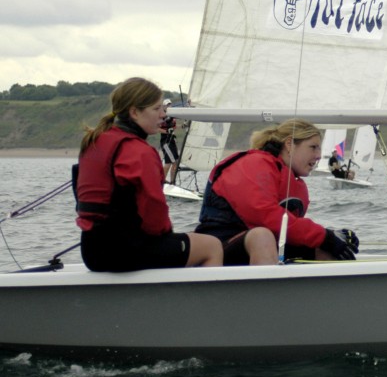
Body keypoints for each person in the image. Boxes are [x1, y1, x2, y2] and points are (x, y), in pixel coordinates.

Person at [75, 77, 223, 272]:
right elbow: (153, 208)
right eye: (156, 109)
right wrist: (168, 237)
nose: (163, 114)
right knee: (211, 246)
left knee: (184, 241)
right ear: (135, 112)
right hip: (127, 251)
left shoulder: (94, 142)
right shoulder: (139, 151)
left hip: (92, 250)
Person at [195, 118, 360, 266]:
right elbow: (265, 217)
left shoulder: (289, 178)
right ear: (290, 144)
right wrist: (324, 236)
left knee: (327, 250)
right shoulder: (254, 164)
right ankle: (267, 298)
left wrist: (333, 236)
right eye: (313, 147)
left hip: (264, 246)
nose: (318, 156)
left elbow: (291, 229)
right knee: (262, 236)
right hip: (219, 247)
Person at [159, 99, 179, 183]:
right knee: (169, 162)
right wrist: (167, 131)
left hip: (172, 141)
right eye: (167, 105)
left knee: (176, 162)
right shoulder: (161, 116)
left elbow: (174, 126)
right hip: (165, 141)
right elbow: (157, 128)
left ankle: (172, 182)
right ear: (164, 106)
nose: (169, 106)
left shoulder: (173, 115)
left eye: (170, 104)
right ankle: (161, 181)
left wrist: (183, 126)